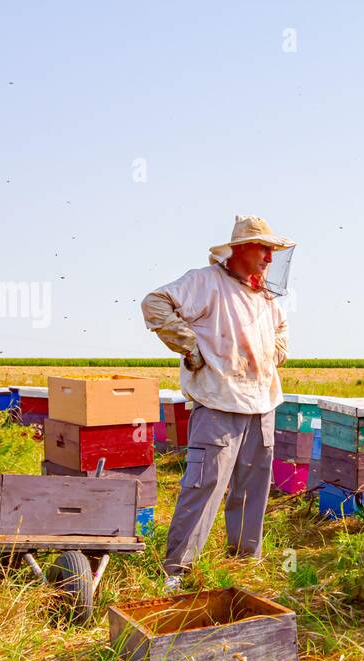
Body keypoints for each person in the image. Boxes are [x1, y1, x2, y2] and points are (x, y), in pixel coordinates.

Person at [141, 215, 294, 589]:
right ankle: (177, 573)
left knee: (253, 488)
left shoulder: (266, 297)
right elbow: (155, 303)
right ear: (240, 249)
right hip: (218, 404)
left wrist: (275, 351)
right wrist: (190, 346)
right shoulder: (205, 282)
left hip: (262, 405)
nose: (269, 259)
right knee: (203, 486)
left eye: (273, 251)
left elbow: (280, 330)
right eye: (263, 249)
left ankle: (245, 565)